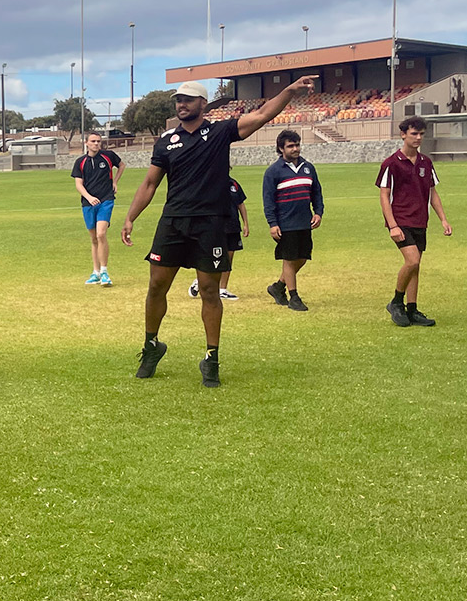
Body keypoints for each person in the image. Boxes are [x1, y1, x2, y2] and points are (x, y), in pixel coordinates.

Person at [120, 75, 317, 388]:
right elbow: (150, 183)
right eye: (178, 100)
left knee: (210, 291)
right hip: (173, 221)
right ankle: (151, 346)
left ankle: (212, 359)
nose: (181, 104)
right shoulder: (166, 141)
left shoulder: (221, 131)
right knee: (157, 285)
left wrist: (290, 91)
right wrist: (131, 217)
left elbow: (263, 114)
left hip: (211, 223)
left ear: (202, 104)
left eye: (187, 99)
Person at [378, 117, 452, 327]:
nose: (418, 138)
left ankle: (412, 309)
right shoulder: (391, 163)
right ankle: (396, 302)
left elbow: (432, 192)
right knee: (412, 261)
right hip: (400, 220)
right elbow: (384, 195)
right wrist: (392, 225)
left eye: (421, 134)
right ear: (403, 134)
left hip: (421, 221)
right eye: (414, 134)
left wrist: (443, 220)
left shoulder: (425, 162)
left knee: (415, 267)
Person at [262, 130, 324, 312]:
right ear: (281, 148)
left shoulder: (308, 167)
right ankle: (294, 296)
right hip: (285, 223)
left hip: (304, 221)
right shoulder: (273, 172)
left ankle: (278, 286)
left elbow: (316, 193)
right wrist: (272, 223)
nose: (295, 148)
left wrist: (318, 212)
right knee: (289, 259)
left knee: (303, 258)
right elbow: (268, 200)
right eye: (290, 146)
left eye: (297, 144)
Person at [71, 131, 124, 286]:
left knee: (101, 234)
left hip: (106, 200)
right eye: (93, 141)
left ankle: (105, 272)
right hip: (88, 203)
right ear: (86, 143)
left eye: (98, 141)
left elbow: (121, 165)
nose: (96, 144)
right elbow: (78, 184)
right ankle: (96, 272)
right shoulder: (80, 162)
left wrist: (115, 181)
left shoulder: (108, 156)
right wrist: (89, 197)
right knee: (94, 239)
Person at [190, 175, 249, 300]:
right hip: (215, 226)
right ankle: (199, 281)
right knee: (213, 257)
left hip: (232, 226)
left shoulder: (234, 184)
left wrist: (245, 224)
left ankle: (222, 289)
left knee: (229, 257)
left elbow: (241, 205)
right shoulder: (208, 182)